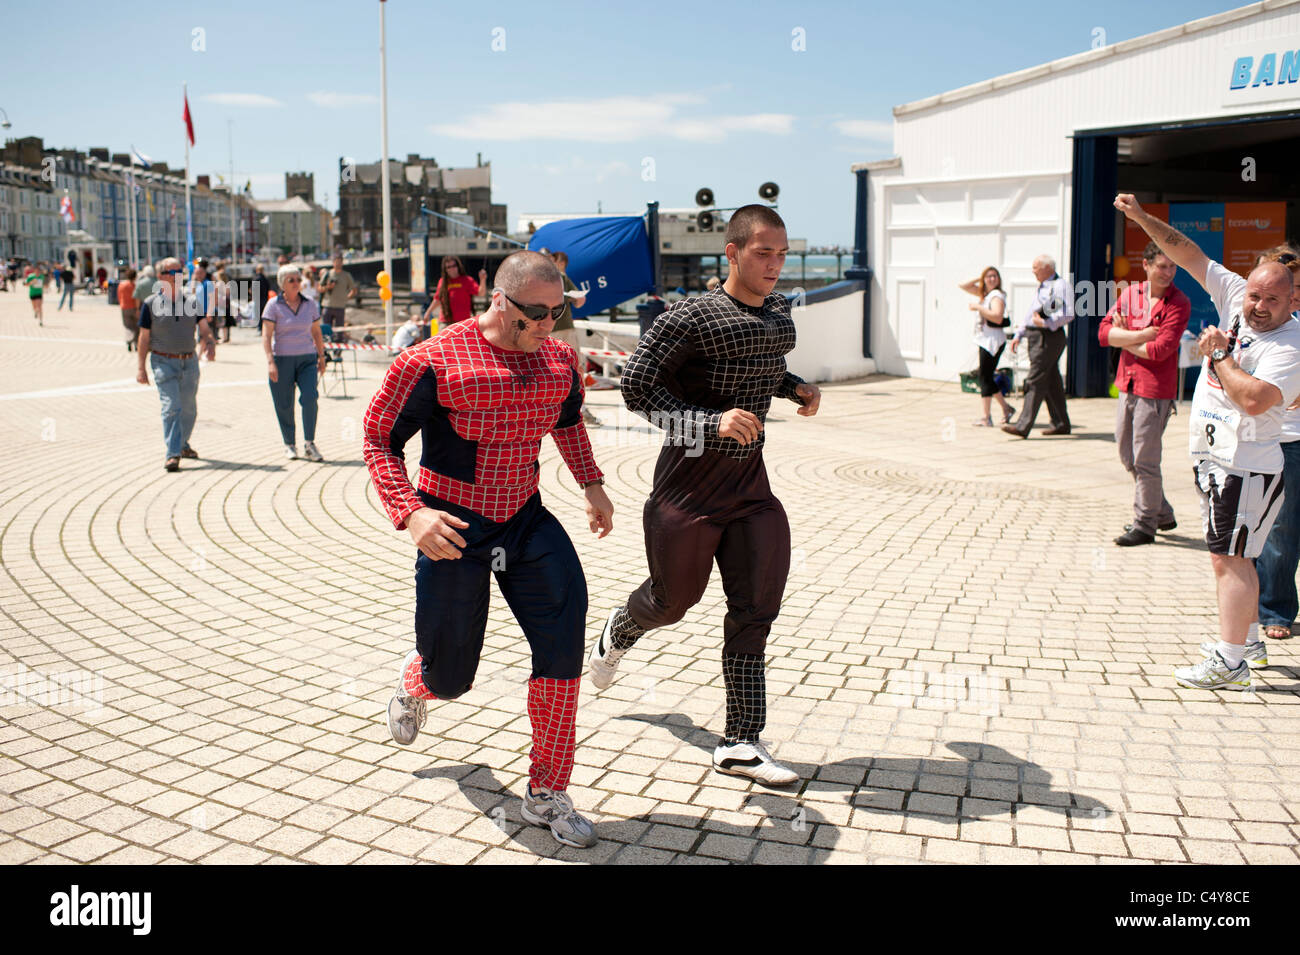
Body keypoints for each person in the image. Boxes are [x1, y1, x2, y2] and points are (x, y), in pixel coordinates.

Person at [365, 250, 613, 848]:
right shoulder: (432, 360)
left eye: (559, 311)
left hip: (525, 523)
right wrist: (411, 512)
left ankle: (547, 792)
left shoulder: (558, 357)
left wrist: (592, 484)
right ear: (499, 301)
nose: (548, 324)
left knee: (562, 642)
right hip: (453, 530)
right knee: (452, 677)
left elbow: (569, 420)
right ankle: (418, 680)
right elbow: (377, 440)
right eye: (536, 312)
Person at [587, 204, 821, 786]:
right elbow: (635, 387)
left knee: (755, 609)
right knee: (674, 601)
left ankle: (741, 740)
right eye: (763, 252)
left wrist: (795, 388)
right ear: (733, 252)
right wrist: (707, 422)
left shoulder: (776, 313)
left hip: (750, 487)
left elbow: (762, 366)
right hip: (687, 488)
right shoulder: (690, 316)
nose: (774, 264)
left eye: (782, 253)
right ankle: (621, 627)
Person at [1116, 194, 1300, 690]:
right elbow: (1186, 252)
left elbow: (1256, 399)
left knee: (1231, 559)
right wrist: (1140, 219)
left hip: (1249, 464)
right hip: (1219, 459)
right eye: (1253, 297)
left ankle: (1232, 662)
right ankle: (1250, 640)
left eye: (1271, 300)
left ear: (1294, 301)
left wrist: (1218, 354)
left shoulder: (1288, 345)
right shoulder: (1236, 293)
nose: (1257, 307)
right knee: (1236, 555)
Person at [1098, 242, 1192, 546]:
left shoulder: (1179, 303)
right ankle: (1161, 511)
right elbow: (1103, 333)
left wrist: (1122, 339)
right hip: (1127, 385)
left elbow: (1161, 350)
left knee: (1145, 460)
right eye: (1162, 266)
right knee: (1127, 455)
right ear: (1147, 265)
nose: (1168, 272)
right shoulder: (1131, 294)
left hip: (1155, 392)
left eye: (1173, 266)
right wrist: (1140, 336)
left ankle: (1145, 524)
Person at [1254, 246, 1300, 643]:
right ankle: (1249, 603)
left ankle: (1276, 608)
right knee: (1247, 525)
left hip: (1290, 439)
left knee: (1282, 530)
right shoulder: (1248, 322)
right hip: (1249, 438)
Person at [136, 256, 213, 471]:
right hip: (163, 361)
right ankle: (173, 454)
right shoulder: (150, 304)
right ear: (161, 277)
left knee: (189, 409)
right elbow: (143, 337)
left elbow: (203, 326)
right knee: (172, 407)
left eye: (180, 271)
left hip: (189, 362)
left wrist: (209, 339)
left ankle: (182, 444)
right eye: (173, 272)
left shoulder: (191, 301)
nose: (178, 276)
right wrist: (141, 368)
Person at [1002, 255, 1074, 438]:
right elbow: (1031, 313)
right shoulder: (1042, 287)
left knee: (1035, 379)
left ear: (1047, 268)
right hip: (1036, 336)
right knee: (1051, 381)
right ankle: (1061, 423)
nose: (1033, 270)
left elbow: (1069, 312)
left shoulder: (1060, 286)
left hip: (1048, 337)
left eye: (1035, 267)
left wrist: (1048, 323)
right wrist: (1020, 334)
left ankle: (1022, 425)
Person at [262, 264, 326, 462]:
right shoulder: (273, 305)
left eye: (298, 280)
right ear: (282, 284)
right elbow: (266, 335)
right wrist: (270, 361)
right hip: (282, 360)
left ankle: (309, 443)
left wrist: (322, 356)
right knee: (284, 404)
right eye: (291, 280)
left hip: (307, 358)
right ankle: (289, 443)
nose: (296, 283)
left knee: (310, 397)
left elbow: (316, 332)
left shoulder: (309, 304)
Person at [549, 250, 601, 428]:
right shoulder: (555, 277)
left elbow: (580, 301)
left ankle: (576, 410)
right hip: (557, 329)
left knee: (567, 370)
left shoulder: (554, 277)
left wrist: (572, 297)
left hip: (552, 329)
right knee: (570, 369)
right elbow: (580, 301)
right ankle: (578, 410)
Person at [961, 266, 1015, 427]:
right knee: (985, 377)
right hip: (985, 340)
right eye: (989, 277)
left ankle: (987, 416)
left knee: (984, 377)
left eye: (994, 276)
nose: (992, 279)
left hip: (992, 342)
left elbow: (997, 318)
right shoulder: (986, 294)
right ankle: (1005, 409)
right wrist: (981, 277)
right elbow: (963, 285)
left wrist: (978, 307)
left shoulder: (996, 296)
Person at [422, 256, 487, 328]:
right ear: (445, 269)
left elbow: (481, 293)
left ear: (458, 266)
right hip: (445, 322)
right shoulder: (442, 281)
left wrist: (482, 279)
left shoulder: (467, 280)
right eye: (448, 267)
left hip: (463, 323)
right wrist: (428, 313)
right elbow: (437, 299)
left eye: (454, 266)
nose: (452, 269)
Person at [320, 253, 358, 332]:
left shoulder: (346, 275)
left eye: (340, 262)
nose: (338, 264)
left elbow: (354, 289)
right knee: (326, 331)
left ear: (342, 263)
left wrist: (346, 298)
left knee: (339, 332)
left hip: (340, 307)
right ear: (333, 263)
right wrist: (328, 287)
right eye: (336, 262)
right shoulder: (328, 274)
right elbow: (320, 288)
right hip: (328, 305)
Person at [118, 268, 140, 351]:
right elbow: (136, 298)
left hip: (124, 307)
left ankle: (129, 342)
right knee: (136, 326)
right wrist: (138, 309)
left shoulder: (121, 285)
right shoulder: (134, 286)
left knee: (128, 326)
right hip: (133, 307)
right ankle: (136, 343)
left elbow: (119, 296)